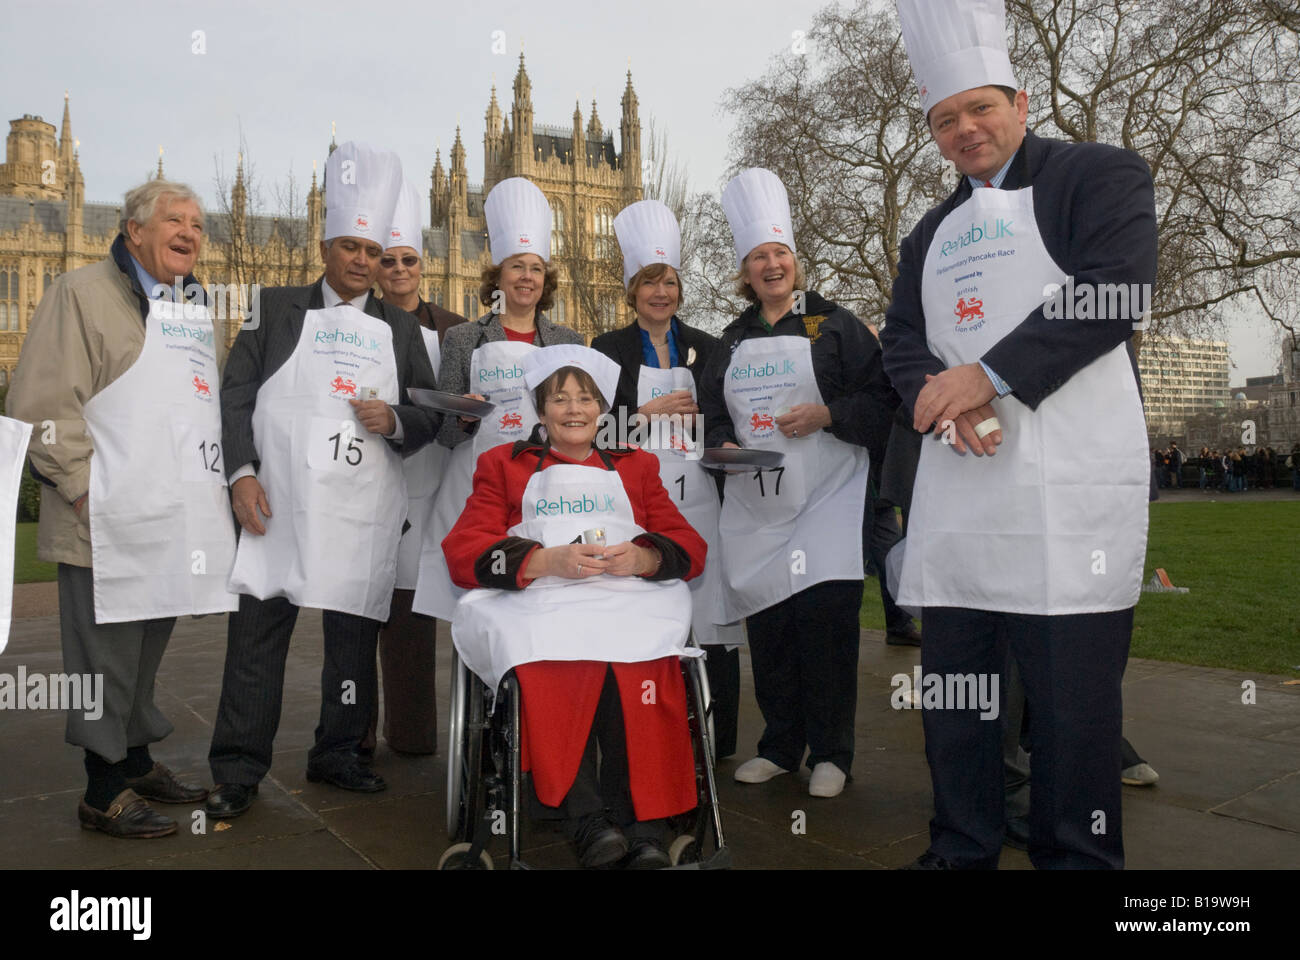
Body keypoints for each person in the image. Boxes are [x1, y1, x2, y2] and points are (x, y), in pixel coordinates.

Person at [882, 0, 1156, 869]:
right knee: (957, 702)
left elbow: (1115, 287)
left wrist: (987, 375)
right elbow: (899, 339)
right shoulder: (928, 232)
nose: (965, 130)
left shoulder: (1099, 175)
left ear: (1022, 102)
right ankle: (959, 846)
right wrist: (943, 395)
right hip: (963, 501)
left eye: (980, 109)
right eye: (945, 119)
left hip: (1068, 498)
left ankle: (1077, 859)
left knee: (1072, 712)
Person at [206, 142, 440, 819]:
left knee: (350, 643)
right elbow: (235, 396)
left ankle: (338, 753)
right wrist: (241, 475)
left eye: (372, 249)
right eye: (350, 247)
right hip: (275, 503)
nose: (363, 261)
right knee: (255, 640)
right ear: (325, 245)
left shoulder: (400, 332)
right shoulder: (270, 307)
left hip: (358, 511)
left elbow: (426, 419)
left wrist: (394, 418)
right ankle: (238, 769)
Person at [7, 179, 237, 837]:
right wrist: (83, 491)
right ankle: (101, 790)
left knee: (141, 654)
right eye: (175, 221)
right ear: (134, 230)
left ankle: (135, 762)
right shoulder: (80, 294)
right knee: (101, 655)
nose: (190, 233)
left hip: (167, 519)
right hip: (101, 520)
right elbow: (39, 406)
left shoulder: (196, 310)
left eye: (197, 223)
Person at [444, 345, 706, 868]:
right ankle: (586, 819)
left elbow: (690, 546)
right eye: (559, 399)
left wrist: (645, 556)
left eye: (585, 398)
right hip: (541, 602)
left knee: (643, 665)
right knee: (554, 660)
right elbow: (463, 549)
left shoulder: (638, 467)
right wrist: (544, 561)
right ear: (541, 411)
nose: (573, 410)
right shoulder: (503, 464)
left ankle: (645, 827)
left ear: (602, 409)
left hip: (626, 600)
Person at [698, 168, 896, 799]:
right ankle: (782, 744)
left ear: (795, 262)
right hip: (759, 507)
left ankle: (832, 753)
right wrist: (724, 444)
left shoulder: (836, 325)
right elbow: (713, 416)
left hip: (826, 500)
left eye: (780, 252)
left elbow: (881, 398)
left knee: (825, 623)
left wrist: (828, 415)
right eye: (760, 256)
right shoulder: (731, 338)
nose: (772, 264)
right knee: (770, 624)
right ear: (746, 272)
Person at [590, 199, 744, 759]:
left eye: (670, 283)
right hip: (638, 501)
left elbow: (728, 418)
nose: (661, 293)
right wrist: (645, 418)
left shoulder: (710, 345)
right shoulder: (607, 350)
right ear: (632, 291)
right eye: (650, 283)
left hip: (702, 498)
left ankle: (717, 738)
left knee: (714, 618)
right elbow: (594, 433)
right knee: (647, 613)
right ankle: (650, 729)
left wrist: (711, 426)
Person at [412, 177, 582, 623]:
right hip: (479, 491)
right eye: (516, 267)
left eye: (536, 269)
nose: (527, 278)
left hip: (547, 488)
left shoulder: (568, 341)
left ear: (546, 280)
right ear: (498, 276)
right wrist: (466, 417)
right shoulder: (464, 338)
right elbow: (445, 434)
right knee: (481, 604)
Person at [362, 180, 466, 760]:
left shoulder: (454, 327)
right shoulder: (356, 323)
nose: (398, 269)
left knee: (454, 604)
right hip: (379, 478)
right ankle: (381, 738)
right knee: (384, 612)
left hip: (444, 477)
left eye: (408, 260)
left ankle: (444, 734)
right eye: (388, 259)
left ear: (423, 266)